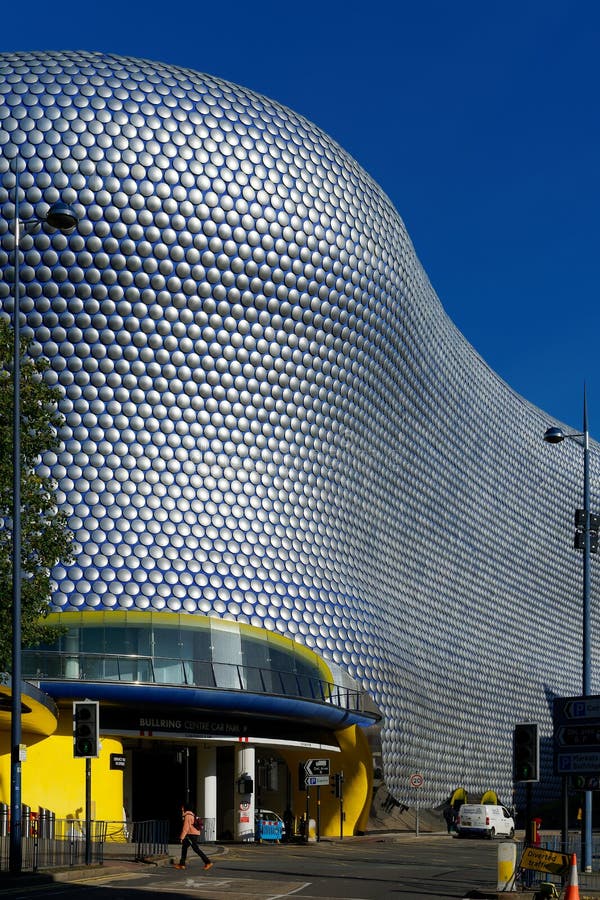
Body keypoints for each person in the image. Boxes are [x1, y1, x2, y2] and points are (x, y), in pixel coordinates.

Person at [174, 806, 213, 870]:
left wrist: (182, 837)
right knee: (184, 847)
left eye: (183, 808)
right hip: (192, 834)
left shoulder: (188, 816)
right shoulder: (190, 814)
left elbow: (186, 828)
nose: (181, 809)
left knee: (196, 849)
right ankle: (182, 864)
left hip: (192, 835)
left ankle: (208, 862)